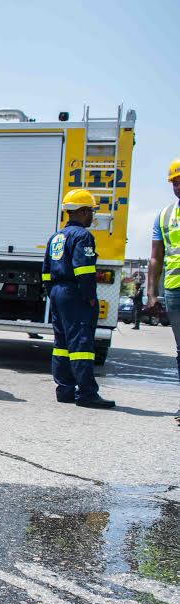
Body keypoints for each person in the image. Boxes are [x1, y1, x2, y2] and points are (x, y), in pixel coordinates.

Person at [42, 189, 115, 409]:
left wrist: (52, 292)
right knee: (81, 343)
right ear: (82, 212)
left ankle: (64, 390)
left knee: (61, 343)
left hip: (58, 293)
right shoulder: (83, 236)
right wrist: (90, 296)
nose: (92, 216)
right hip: (75, 293)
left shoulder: (56, 237)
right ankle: (87, 394)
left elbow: (46, 271)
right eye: (91, 211)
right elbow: (84, 269)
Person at [146, 157, 180, 420]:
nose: (178, 187)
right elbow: (156, 257)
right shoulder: (165, 215)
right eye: (175, 183)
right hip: (174, 290)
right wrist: (151, 292)